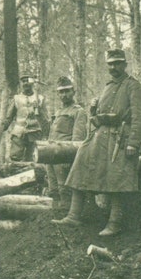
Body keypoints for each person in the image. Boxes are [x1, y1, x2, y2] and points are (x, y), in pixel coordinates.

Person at [54, 48, 141, 236]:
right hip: (100, 137)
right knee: (80, 164)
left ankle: (115, 223)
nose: (113, 67)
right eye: (110, 64)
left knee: (116, 178)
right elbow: (100, 115)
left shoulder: (134, 86)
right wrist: (93, 110)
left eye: (117, 63)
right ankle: (74, 215)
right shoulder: (108, 86)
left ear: (124, 64)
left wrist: (133, 143)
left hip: (120, 140)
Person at [46, 76, 89, 210]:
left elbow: (78, 138)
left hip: (64, 156)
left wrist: (69, 157)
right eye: (61, 92)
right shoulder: (59, 112)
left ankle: (67, 217)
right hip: (52, 156)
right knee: (53, 190)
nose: (64, 95)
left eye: (67, 91)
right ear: (58, 94)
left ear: (73, 92)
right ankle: (55, 216)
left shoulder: (78, 112)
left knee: (64, 189)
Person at [1, 74, 50, 162]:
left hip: (35, 132)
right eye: (23, 82)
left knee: (33, 158)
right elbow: (9, 117)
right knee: (15, 157)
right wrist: (2, 128)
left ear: (32, 83)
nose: (25, 84)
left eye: (27, 81)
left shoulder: (40, 98)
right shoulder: (16, 98)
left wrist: (46, 134)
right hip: (19, 133)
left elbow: (45, 119)